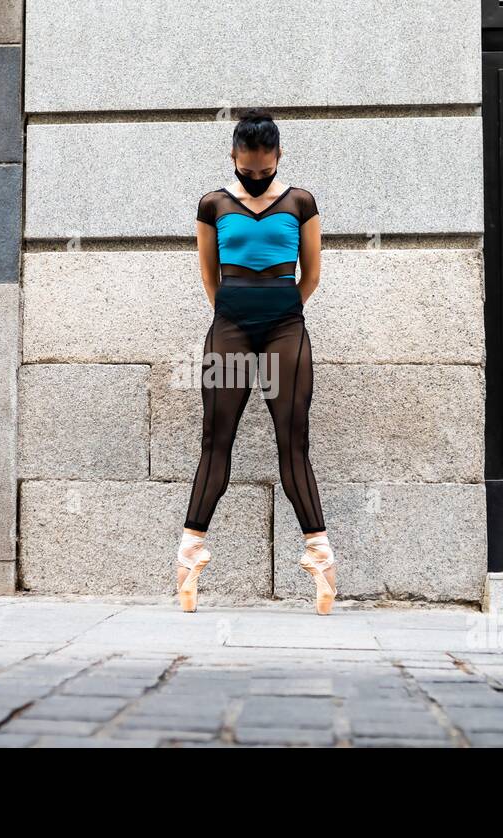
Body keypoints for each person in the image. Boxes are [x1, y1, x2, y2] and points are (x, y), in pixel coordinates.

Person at [175, 108, 336, 615]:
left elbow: (310, 274)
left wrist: (281, 313)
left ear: (278, 157)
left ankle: (321, 557)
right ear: (234, 157)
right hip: (231, 329)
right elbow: (209, 277)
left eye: (265, 169)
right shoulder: (213, 205)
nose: (256, 176)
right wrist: (235, 318)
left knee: (293, 441)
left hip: (285, 328)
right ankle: (189, 553)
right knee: (215, 440)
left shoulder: (301, 202)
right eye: (248, 168)